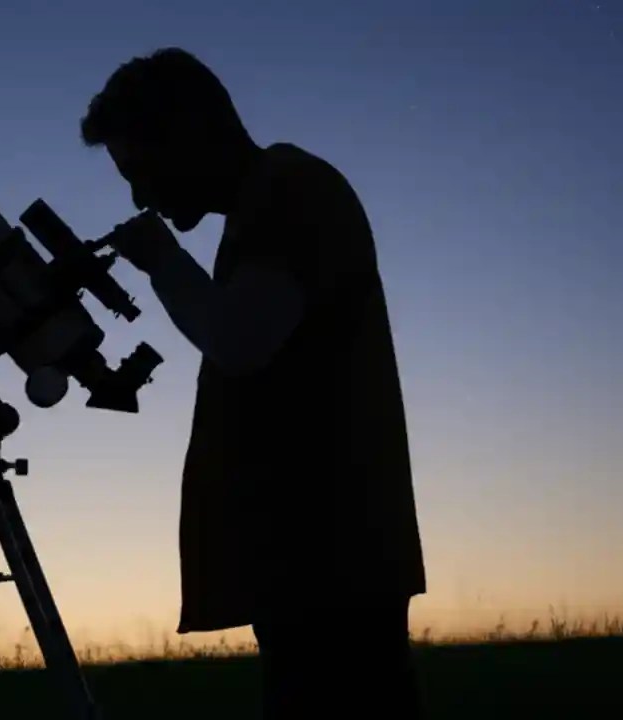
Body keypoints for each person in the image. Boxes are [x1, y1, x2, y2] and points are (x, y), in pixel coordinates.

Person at [79, 47, 427, 717]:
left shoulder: (291, 191)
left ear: (186, 134)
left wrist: (162, 263)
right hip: (309, 554)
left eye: (139, 170)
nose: (138, 196)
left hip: (330, 556)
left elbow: (240, 340)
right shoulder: (264, 203)